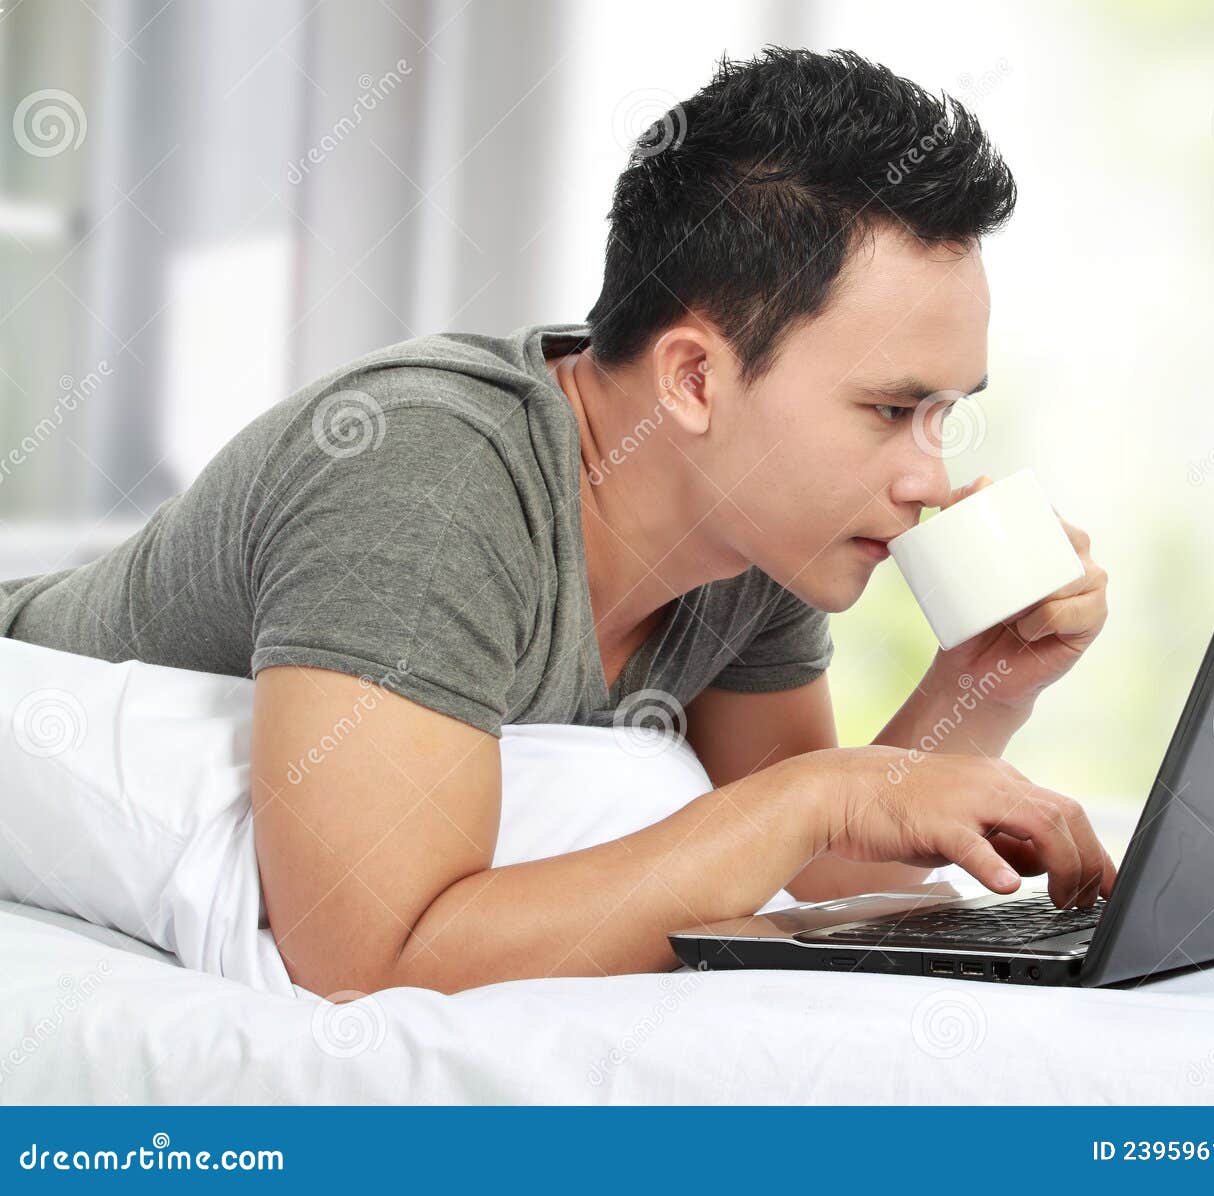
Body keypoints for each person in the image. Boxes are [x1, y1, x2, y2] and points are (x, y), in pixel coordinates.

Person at [0, 47, 1113, 998]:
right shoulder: (424, 471)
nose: (927, 477)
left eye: (942, 416)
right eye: (887, 410)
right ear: (692, 378)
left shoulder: (760, 539)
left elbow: (809, 864)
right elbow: (366, 957)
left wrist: (987, 679)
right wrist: (817, 790)